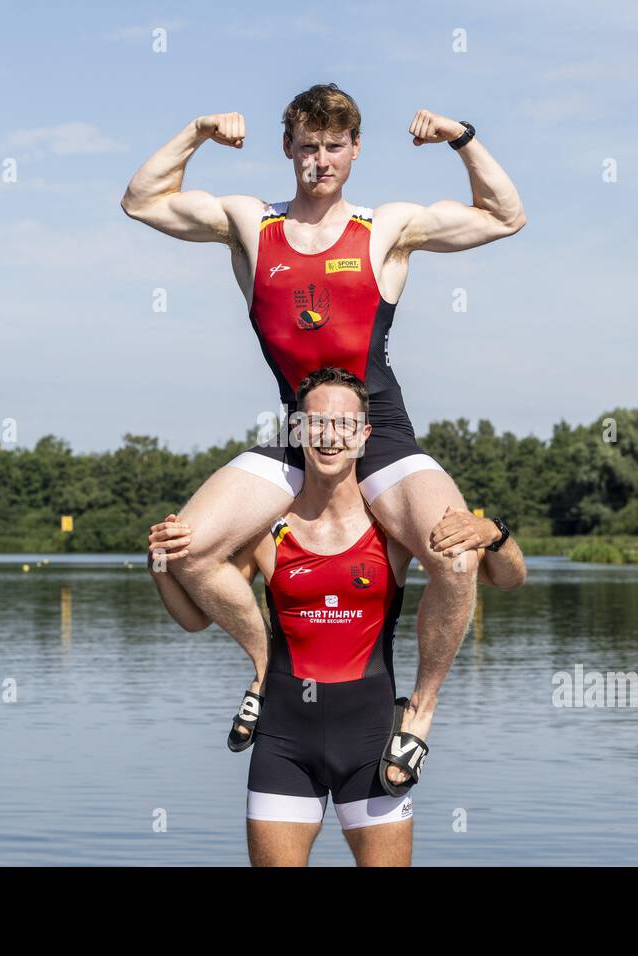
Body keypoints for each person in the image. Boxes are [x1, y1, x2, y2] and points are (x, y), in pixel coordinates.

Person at [122, 83, 526, 760]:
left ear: (355, 149)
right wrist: (197, 131)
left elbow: (505, 216)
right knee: (184, 550)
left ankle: (418, 712)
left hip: (381, 431)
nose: (320, 161)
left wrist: (460, 137)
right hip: (298, 433)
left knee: (456, 555)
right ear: (288, 147)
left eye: (334, 146)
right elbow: (141, 201)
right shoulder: (251, 223)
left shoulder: (386, 227)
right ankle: (264, 669)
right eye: (308, 146)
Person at [147, 368, 526, 866]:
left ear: (364, 434)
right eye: (317, 423)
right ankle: (262, 674)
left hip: (374, 744)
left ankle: (421, 711)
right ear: (297, 430)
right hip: (283, 742)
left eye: (344, 424)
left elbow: (508, 579)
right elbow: (195, 619)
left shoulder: (394, 530)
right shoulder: (266, 532)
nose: (330, 436)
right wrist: (161, 562)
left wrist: (494, 533)